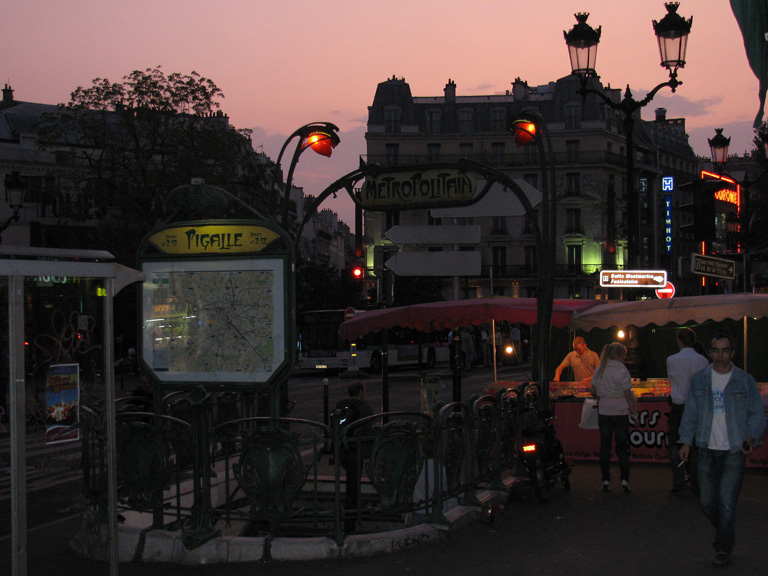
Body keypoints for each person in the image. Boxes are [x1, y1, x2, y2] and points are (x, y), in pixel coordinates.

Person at [678, 333, 766, 567]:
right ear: (709, 352)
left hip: (734, 449)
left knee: (726, 502)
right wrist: (686, 441)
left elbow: (757, 414)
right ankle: (727, 529)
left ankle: (723, 548)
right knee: (706, 500)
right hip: (706, 447)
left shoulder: (744, 380)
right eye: (715, 350)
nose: (720, 355)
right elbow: (691, 414)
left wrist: (751, 437)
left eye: (725, 350)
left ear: (732, 353)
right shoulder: (700, 380)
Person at [666, 327, 709, 494]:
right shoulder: (703, 361)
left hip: (678, 405)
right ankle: (695, 480)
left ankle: (679, 480)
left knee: (674, 443)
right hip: (696, 405)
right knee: (696, 444)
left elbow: (672, 380)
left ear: (680, 341)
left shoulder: (672, 360)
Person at [590, 342, 638, 493]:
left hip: (604, 412)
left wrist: (603, 395)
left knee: (605, 447)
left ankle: (606, 479)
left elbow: (593, 391)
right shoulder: (622, 370)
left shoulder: (599, 370)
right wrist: (634, 412)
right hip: (620, 413)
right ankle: (624, 479)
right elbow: (627, 394)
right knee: (622, 448)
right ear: (619, 355)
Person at [336, 381, 374, 533]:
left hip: (344, 451)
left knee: (350, 485)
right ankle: (350, 523)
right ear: (360, 392)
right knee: (353, 487)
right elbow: (369, 430)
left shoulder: (341, 405)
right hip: (356, 451)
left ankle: (348, 520)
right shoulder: (364, 407)